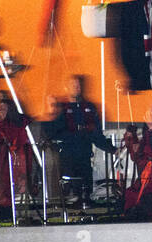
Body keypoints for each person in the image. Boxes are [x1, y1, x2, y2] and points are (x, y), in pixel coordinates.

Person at [48, 74, 116, 203]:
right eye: (73, 85)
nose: (76, 87)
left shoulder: (89, 108)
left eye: (78, 85)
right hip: (66, 157)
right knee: (68, 191)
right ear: (66, 87)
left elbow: (96, 134)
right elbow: (53, 132)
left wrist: (112, 149)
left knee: (86, 191)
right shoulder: (61, 108)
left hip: (84, 156)